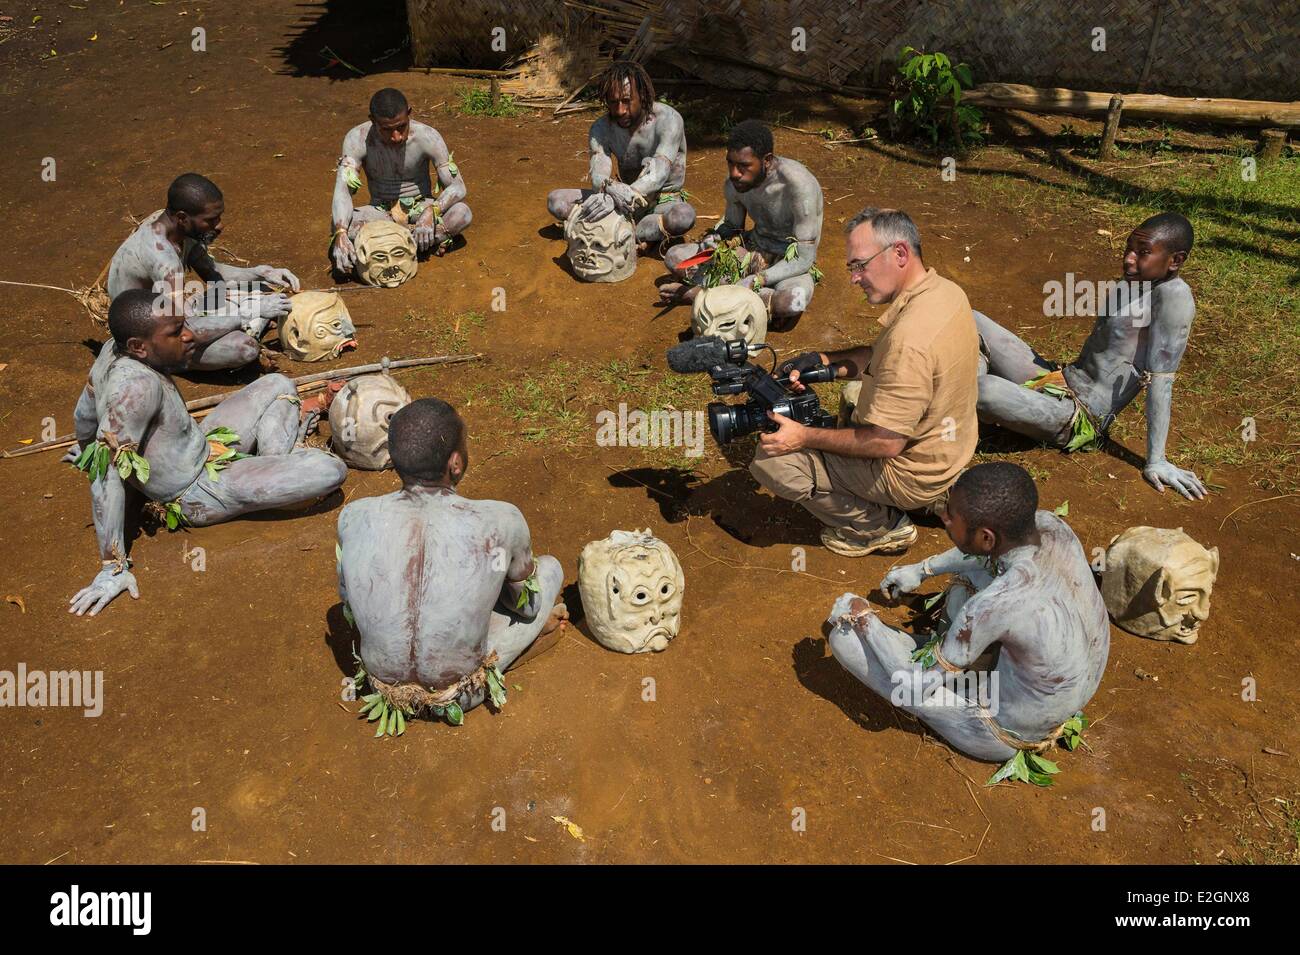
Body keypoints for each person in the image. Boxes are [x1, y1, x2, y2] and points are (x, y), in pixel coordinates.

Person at [66, 290, 348, 617]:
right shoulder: (136, 388)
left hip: (203, 442)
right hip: (198, 490)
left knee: (279, 385)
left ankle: (274, 463)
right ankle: (279, 462)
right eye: (174, 333)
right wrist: (110, 568)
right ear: (138, 347)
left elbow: (83, 414)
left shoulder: (109, 352)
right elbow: (106, 474)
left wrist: (88, 448)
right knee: (331, 470)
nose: (188, 335)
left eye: (182, 325)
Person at [826, 462, 1110, 763]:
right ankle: (955, 661)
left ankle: (951, 673)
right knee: (976, 576)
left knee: (844, 640)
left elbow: (912, 688)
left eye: (953, 519)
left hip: (1000, 730)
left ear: (987, 537)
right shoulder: (1052, 527)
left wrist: (862, 617)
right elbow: (984, 559)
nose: (945, 519)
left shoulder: (991, 605)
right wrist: (923, 570)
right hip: (1062, 693)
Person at [749, 208, 978, 556]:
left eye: (860, 265)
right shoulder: (945, 293)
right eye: (851, 267)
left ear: (899, 253)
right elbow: (882, 360)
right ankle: (940, 494)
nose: (855, 278)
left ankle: (879, 527)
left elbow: (885, 444)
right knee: (855, 392)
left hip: (909, 471)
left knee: (772, 463)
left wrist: (804, 436)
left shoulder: (910, 341)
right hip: (948, 449)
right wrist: (825, 363)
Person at [336, 398, 568, 723]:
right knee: (552, 568)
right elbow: (526, 607)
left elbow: (348, 601)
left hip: (380, 688)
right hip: (458, 694)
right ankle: (517, 649)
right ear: (455, 463)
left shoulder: (354, 515)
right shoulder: (501, 518)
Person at [975, 212, 1205, 499]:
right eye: (1129, 248)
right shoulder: (1134, 281)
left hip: (1078, 415)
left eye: (1143, 253)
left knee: (984, 390)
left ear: (1175, 261)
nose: (1129, 259)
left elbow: (1162, 379)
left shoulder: (1173, 297)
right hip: (1058, 379)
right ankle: (969, 402)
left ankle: (965, 406)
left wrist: (1156, 460)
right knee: (969, 319)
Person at [106, 173, 299, 370]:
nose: (220, 226)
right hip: (158, 338)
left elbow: (212, 271)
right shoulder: (164, 260)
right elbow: (187, 329)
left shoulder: (171, 224)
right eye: (211, 220)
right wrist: (248, 312)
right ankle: (169, 363)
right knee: (244, 347)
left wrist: (261, 272)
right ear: (182, 217)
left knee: (261, 287)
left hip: (169, 312)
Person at [660, 120, 823, 329]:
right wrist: (715, 239)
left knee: (791, 302)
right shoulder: (735, 183)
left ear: (767, 160)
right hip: (750, 252)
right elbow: (732, 227)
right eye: (731, 163)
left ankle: (705, 295)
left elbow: (804, 257)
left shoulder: (798, 186)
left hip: (787, 265)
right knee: (675, 257)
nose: (735, 172)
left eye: (744, 166)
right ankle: (744, 301)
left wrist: (759, 279)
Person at [546, 60, 696, 253]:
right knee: (556, 200)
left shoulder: (669, 120)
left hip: (662, 201)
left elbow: (659, 173)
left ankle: (618, 230)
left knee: (683, 216)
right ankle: (634, 233)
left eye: (626, 101)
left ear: (642, 96)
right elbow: (599, 172)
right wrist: (608, 189)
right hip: (616, 199)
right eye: (613, 102)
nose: (619, 110)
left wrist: (622, 196)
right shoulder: (601, 128)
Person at [330, 87, 472, 271]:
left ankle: (390, 246)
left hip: (421, 209)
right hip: (381, 214)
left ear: (409, 114)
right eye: (387, 130)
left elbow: (458, 187)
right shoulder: (357, 139)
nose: (396, 137)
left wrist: (432, 211)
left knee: (463, 213)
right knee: (340, 225)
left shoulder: (428, 136)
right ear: (372, 121)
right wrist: (341, 233)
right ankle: (418, 244)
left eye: (401, 127)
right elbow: (343, 191)